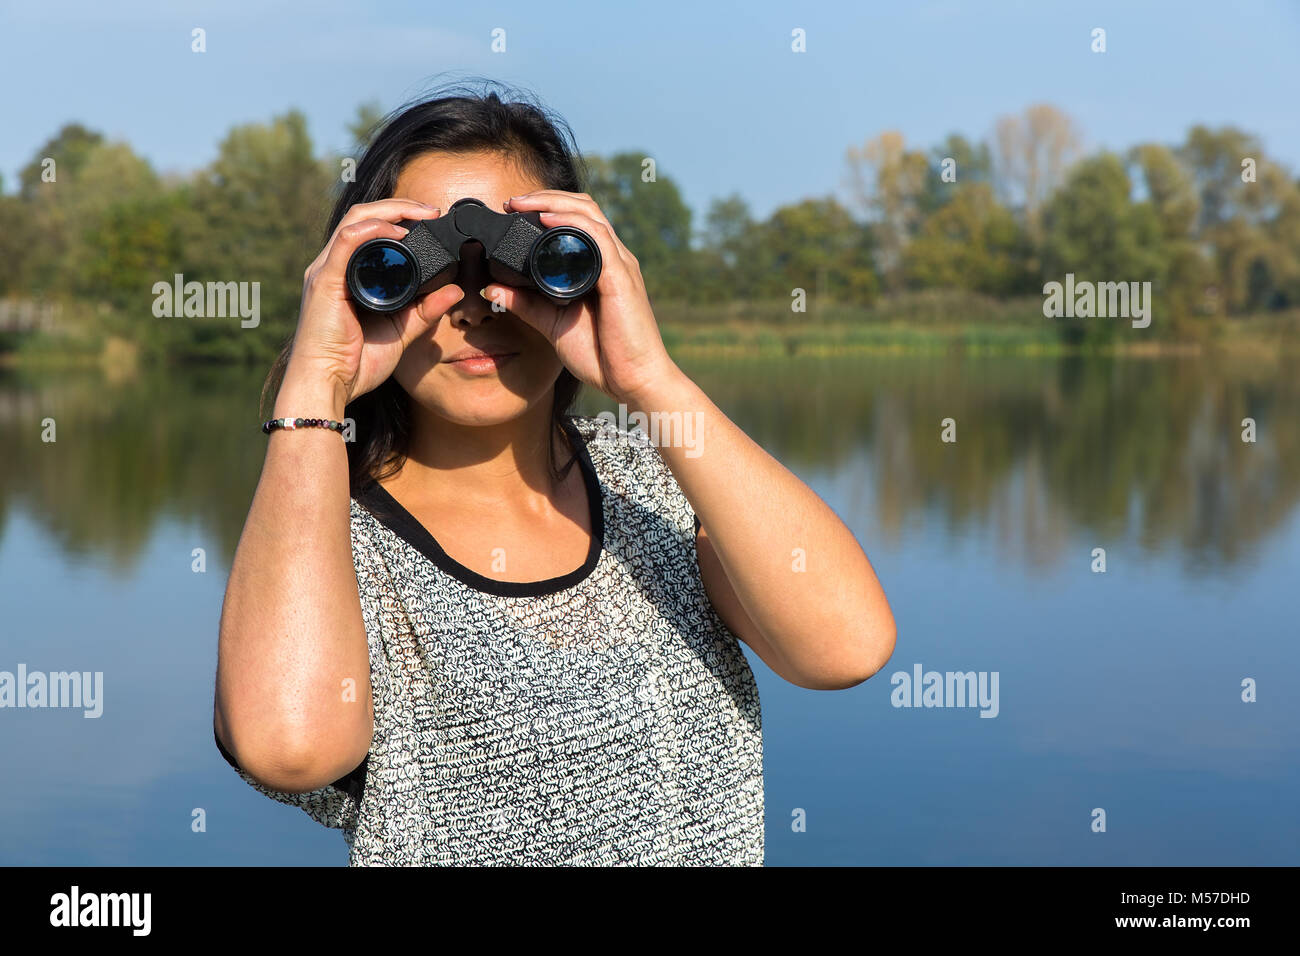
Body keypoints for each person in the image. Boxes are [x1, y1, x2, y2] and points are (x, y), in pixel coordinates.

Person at [212, 81, 896, 866]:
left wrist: (650, 379)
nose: (473, 308)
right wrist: (316, 379)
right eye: (424, 268)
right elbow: (289, 746)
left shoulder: (655, 482)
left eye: (514, 259)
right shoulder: (328, 549)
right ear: (361, 284)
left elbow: (846, 648)